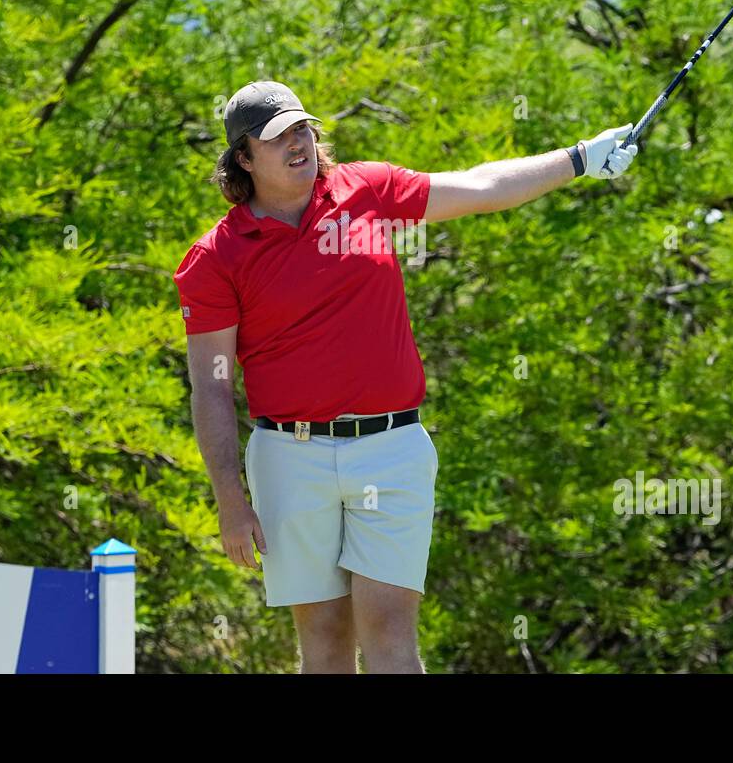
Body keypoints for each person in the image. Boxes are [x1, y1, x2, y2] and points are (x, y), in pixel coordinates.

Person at [174, 80, 636, 673]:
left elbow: (481, 185)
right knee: (324, 638)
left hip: (391, 450)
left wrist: (581, 158)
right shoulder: (217, 256)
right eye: (277, 137)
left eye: (301, 129)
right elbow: (211, 384)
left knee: (390, 631)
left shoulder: (366, 190)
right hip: (289, 458)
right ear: (243, 157)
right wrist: (230, 500)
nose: (297, 144)